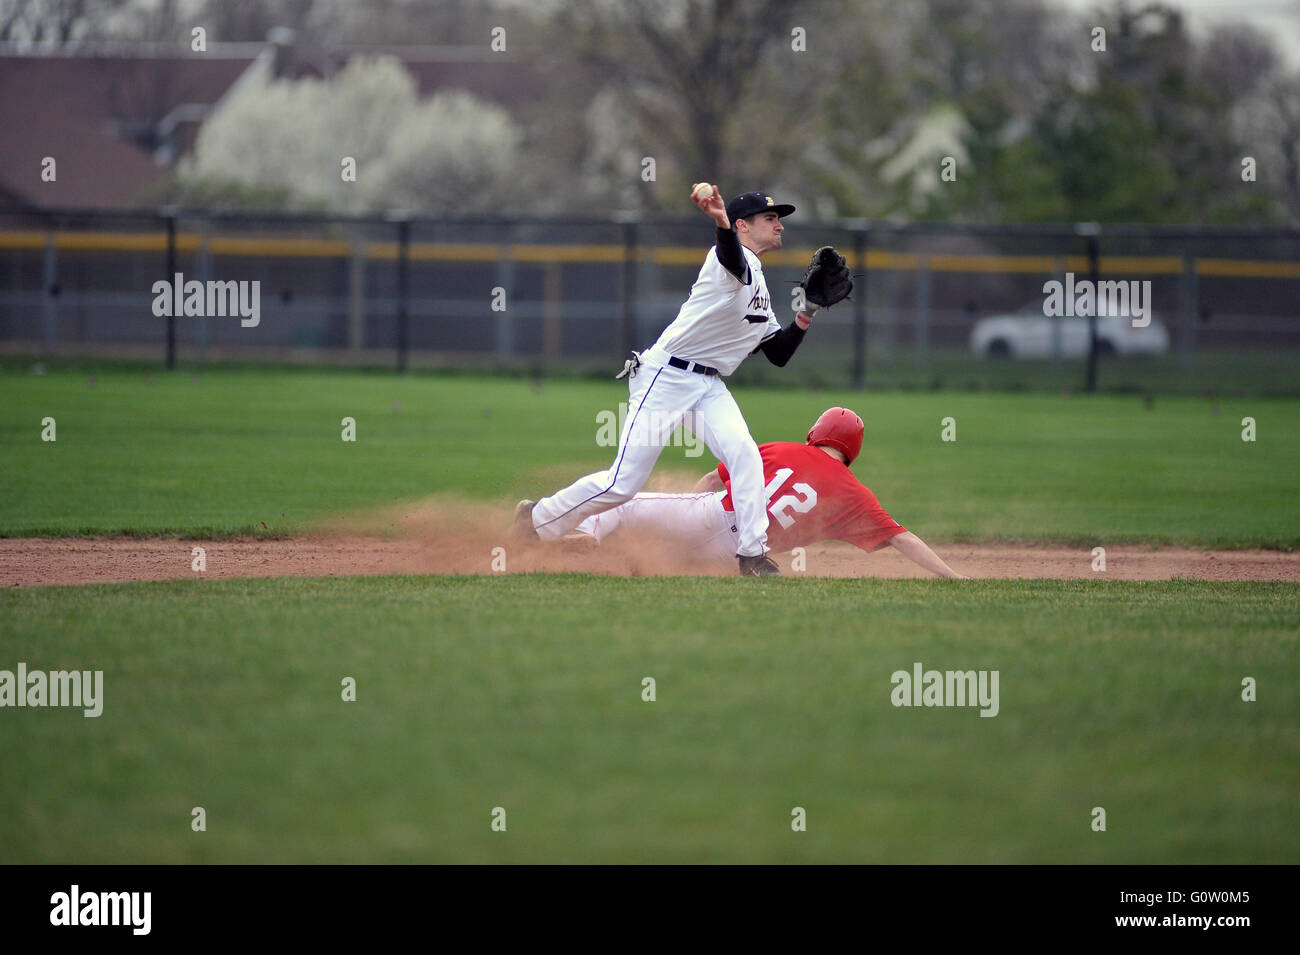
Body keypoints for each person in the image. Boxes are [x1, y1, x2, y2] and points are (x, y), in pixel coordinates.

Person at [515, 184, 832, 577]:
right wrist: (718, 220)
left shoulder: (759, 286)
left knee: (744, 454)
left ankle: (752, 555)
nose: (780, 226)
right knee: (622, 483)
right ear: (742, 226)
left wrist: (807, 313)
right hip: (665, 377)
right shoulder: (728, 257)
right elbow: (729, 251)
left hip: (708, 385)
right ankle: (536, 519)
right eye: (770, 218)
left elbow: (779, 352)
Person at [571, 407, 968, 579]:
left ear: (816, 433)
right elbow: (902, 537)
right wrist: (952, 577)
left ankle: (585, 537)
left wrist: (689, 515)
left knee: (620, 502)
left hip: (712, 514)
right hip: (741, 555)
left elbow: (712, 481)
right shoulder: (853, 494)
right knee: (675, 559)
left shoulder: (782, 450)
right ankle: (619, 555)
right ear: (852, 452)